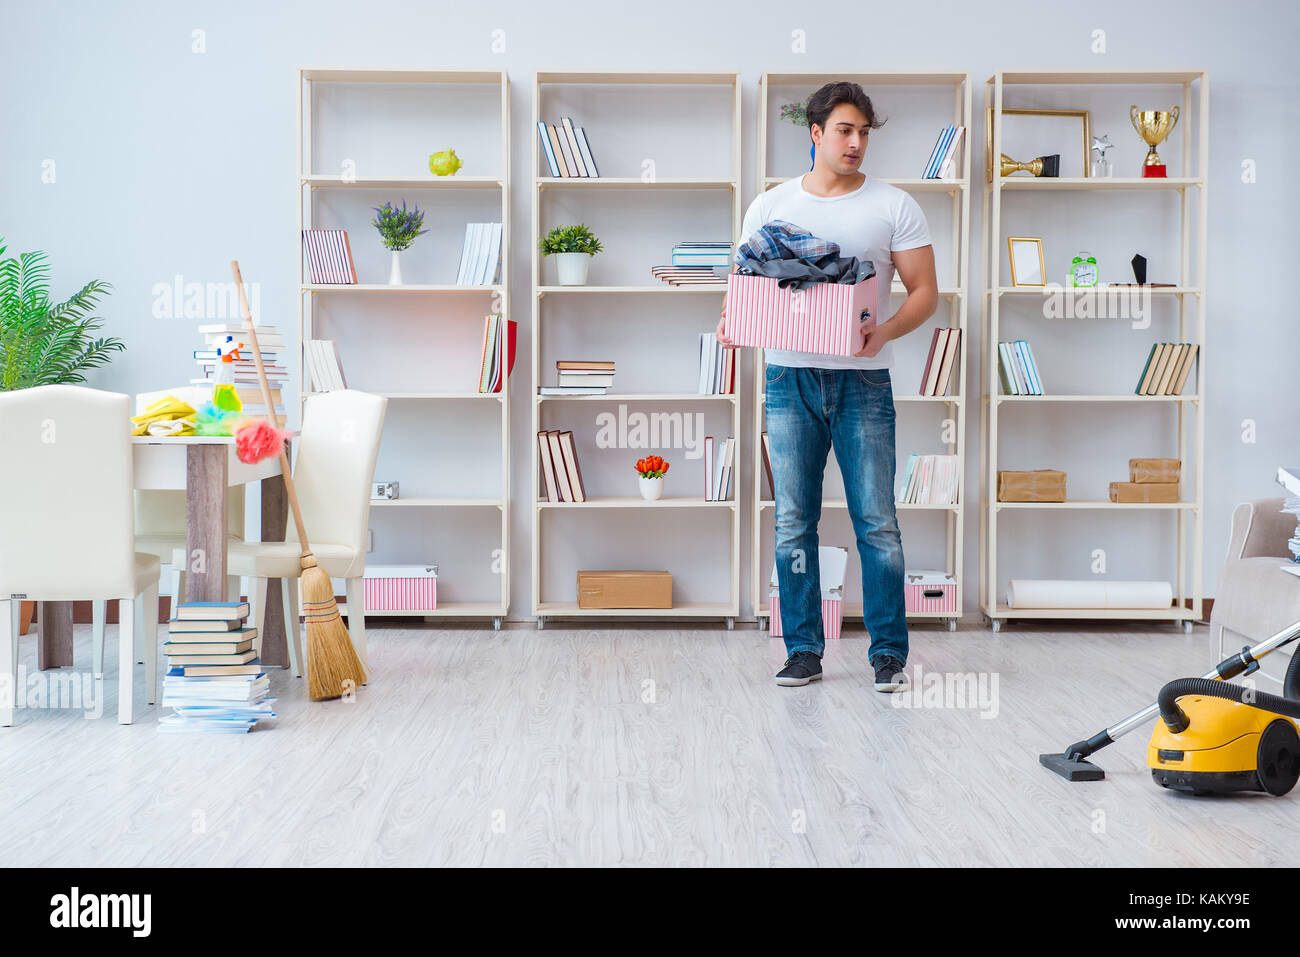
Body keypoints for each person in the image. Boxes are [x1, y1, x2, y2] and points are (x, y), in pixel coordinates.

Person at [717, 82, 938, 691]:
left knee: (878, 521)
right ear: (814, 133)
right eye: (844, 130)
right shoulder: (770, 205)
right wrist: (733, 321)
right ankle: (803, 650)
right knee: (794, 521)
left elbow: (926, 293)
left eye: (864, 132)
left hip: (863, 381)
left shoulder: (894, 205)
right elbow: (747, 285)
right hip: (788, 378)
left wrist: (885, 332)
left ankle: (888, 653)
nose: (856, 142)